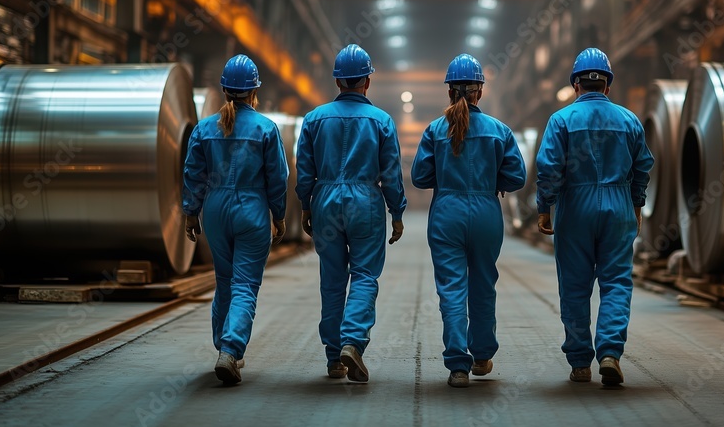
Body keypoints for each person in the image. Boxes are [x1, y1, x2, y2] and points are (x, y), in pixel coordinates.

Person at [536, 47, 653, 386]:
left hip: (576, 207)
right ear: (608, 85)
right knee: (616, 282)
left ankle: (579, 362)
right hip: (618, 206)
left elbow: (548, 168)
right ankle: (610, 353)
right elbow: (643, 165)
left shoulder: (561, 120)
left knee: (574, 286)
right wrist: (635, 202)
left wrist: (546, 206)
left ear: (575, 84)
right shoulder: (629, 120)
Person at [412, 54, 527, 388]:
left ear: (449, 91)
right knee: (483, 284)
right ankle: (482, 355)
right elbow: (516, 177)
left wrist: (446, 176)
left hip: (447, 212)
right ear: (479, 91)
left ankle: (457, 365)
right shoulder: (499, 131)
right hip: (486, 211)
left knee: (451, 288)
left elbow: (420, 177)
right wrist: (494, 182)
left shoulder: (435, 130)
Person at [296, 44, 407, 383]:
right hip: (365, 203)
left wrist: (305, 204)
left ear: (337, 82)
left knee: (331, 280)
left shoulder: (314, 119)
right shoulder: (381, 121)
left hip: (326, 199)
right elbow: (390, 172)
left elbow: (303, 170)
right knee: (364, 275)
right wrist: (397, 209)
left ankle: (334, 357)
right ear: (367, 82)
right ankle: (352, 341)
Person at [182, 54, 289, 385]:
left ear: (224, 90)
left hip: (215, 210)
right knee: (245, 285)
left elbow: (193, 174)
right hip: (251, 209)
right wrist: (279, 215)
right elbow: (278, 177)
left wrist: (190, 211)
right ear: (254, 92)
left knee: (225, 281)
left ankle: (223, 348)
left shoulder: (203, 129)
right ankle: (230, 349)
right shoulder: (266, 128)